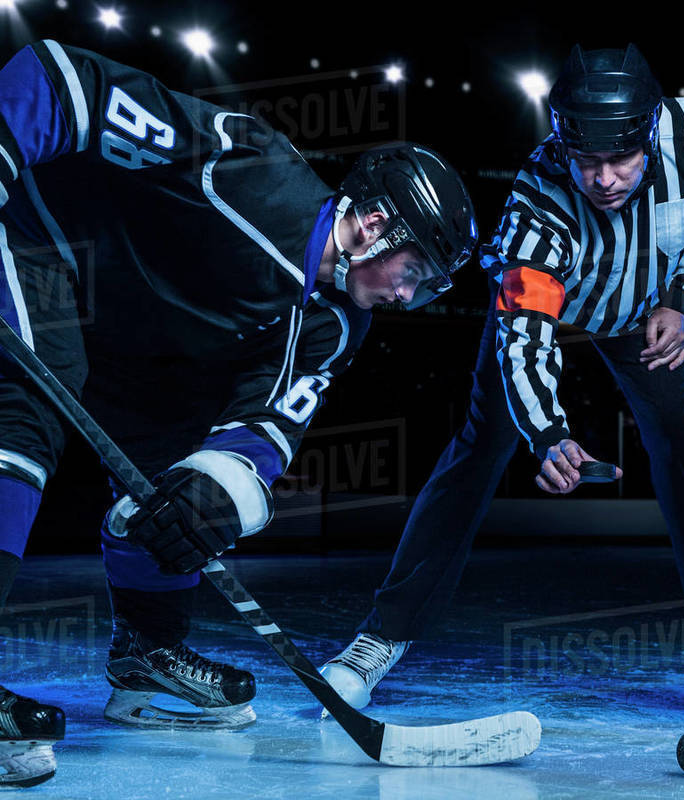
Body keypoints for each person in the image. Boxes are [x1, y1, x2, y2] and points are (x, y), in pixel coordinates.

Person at [0, 40, 476, 786]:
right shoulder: (255, 174)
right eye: (413, 270)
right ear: (375, 222)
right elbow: (63, 79)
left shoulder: (338, 322)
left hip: (139, 345)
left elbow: (271, 422)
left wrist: (219, 486)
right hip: (45, 242)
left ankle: (145, 656)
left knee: (177, 494)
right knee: (25, 413)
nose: (407, 295)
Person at [319, 43, 684, 728]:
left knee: (681, 449)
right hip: (555, 305)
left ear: (651, 132)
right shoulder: (537, 202)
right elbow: (526, 330)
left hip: (642, 312)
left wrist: (679, 299)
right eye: (586, 160)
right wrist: (547, 431)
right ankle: (383, 636)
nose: (604, 180)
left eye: (621, 159)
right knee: (477, 451)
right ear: (561, 143)